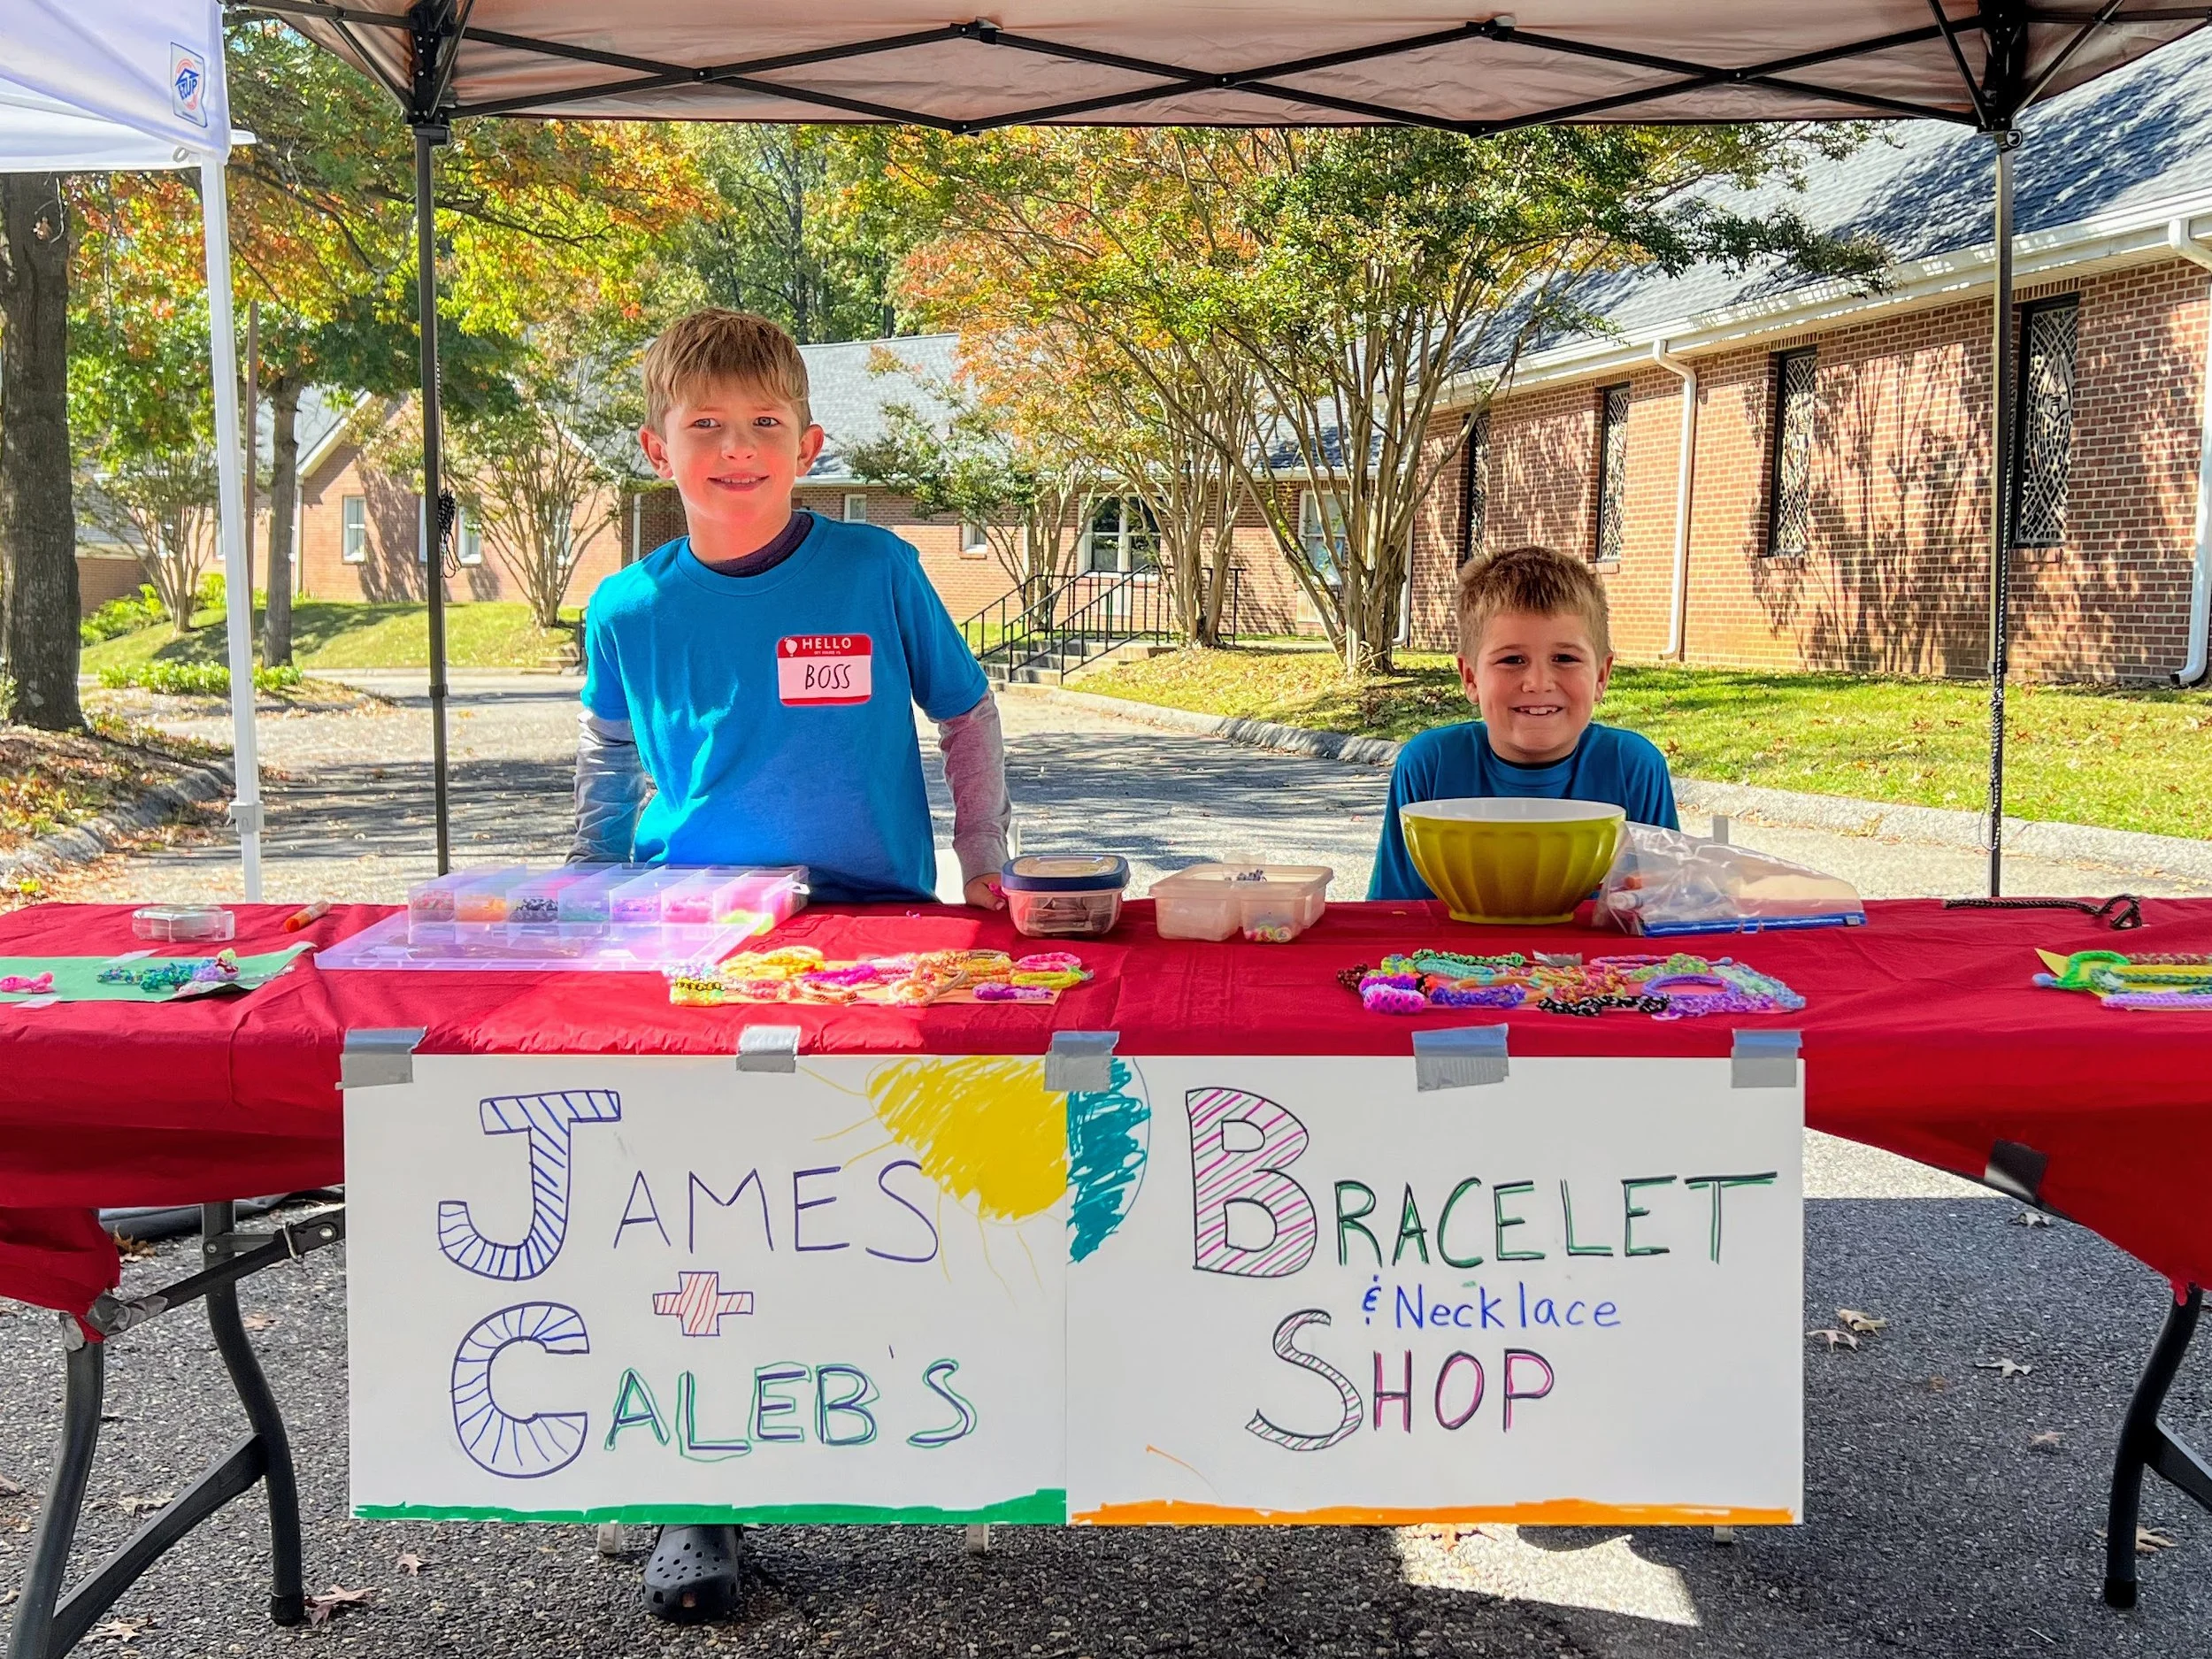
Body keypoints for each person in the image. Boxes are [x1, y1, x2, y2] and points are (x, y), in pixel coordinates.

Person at [568, 309, 1011, 1621]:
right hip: (690, 942)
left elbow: (970, 714)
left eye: (764, 424)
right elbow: (604, 764)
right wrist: (585, 901)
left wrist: (987, 868)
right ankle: (696, 1496)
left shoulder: (876, 567)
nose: (737, 447)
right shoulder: (628, 604)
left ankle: (917, 1426)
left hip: (879, 931)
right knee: (695, 1217)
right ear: (658, 447)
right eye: (705, 425)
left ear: (809, 442)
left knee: (876, 1197)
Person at [1368, 544, 1676, 901]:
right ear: (1470, 678)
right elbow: (1393, 916)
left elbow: (1660, 912)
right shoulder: (1429, 765)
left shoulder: (1633, 767)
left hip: (1599, 959)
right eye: (1512, 659)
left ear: (1601, 676)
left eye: (1564, 658)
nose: (1538, 682)